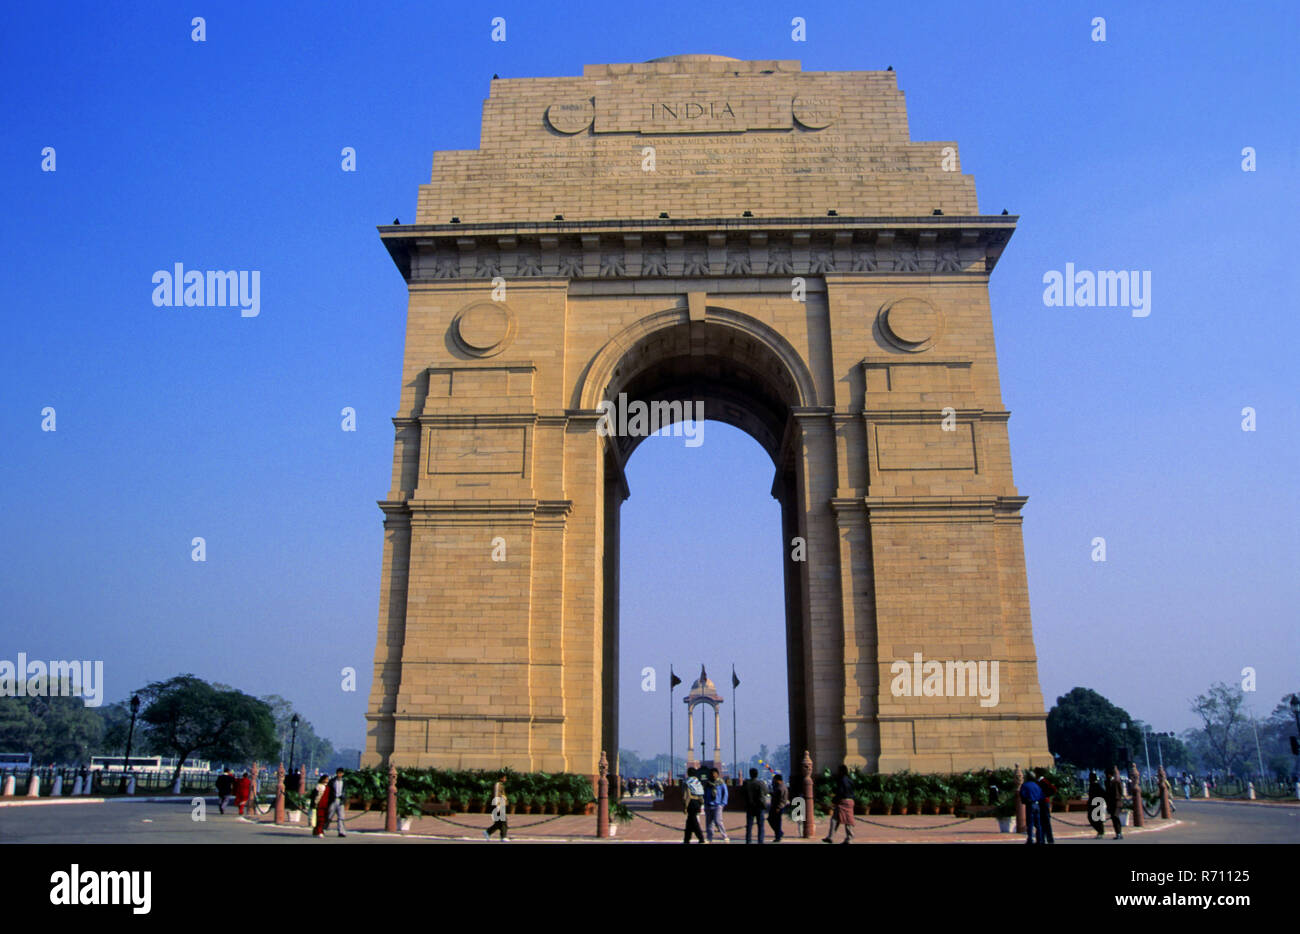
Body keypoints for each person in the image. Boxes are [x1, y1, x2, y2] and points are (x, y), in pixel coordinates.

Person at [822, 764, 855, 843]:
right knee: (848, 820)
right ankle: (848, 838)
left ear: (841, 771)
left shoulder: (842, 780)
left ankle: (831, 837)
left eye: (838, 771)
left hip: (843, 802)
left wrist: (834, 801)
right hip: (850, 801)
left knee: (834, 819)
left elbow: (840, 792)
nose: (837, 772)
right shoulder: (849, 780)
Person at [743, 768, 769, 844]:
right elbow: (766, 792)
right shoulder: (761, 783)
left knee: (749, 826)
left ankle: (748, 841)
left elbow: (742, 792)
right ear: (757, 774)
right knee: (760, 826)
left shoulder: (746, 783)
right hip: (760, 806)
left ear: (750, 774)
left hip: (750, 806)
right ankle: (760, 841)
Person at [703, 768, 730, 842]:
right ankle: (709, 838)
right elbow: (704, 794)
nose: (713, 775)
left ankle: (725, 836)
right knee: (709, 823)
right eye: (712, 774)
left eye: (714, 774)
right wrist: (705, 803)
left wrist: (723, 803)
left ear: (718, 774)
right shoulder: (707, 783)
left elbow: (725, 794)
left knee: (718, 821)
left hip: (718, 805)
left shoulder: (721, 783)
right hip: (709, 805)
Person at [1018, 773, 1044, 844]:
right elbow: (1042, 795)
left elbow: (1022, 794)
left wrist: (1025, 801)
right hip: (1037, 805)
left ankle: (1030, 839)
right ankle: (1039, 839)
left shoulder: (1025, 785)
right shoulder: (1037, 785)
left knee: (1030, 823)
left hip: (1030, 805)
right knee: (1038, 823)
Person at [682, 768, 705, 844]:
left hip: (691, 802)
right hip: (698, 802)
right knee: (689, 821)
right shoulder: (698, 782)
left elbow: (686, 795)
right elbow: (701, 794)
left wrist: (685, 806)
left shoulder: (687, 782)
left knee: (694, 821)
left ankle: (701, 838)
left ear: (688, 773)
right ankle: (686, 839)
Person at [484, 773, 509, 841]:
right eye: (504, 778)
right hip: (498, 805)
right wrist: (497, 806)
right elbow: (496, 794)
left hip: (501, 805)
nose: (505, 779)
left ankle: (488, 832)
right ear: (501, 778)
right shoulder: (498, 784)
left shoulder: (501, 785)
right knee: (503, 821)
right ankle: (503, 837)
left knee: (499, 822)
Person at [1034, 770, 1056, 844]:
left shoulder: (1044, 781)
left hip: (1044, 803)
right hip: (1040, 803)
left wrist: (1045, 795)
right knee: (1041, 822)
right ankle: (1041, 839)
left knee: (1046, 822)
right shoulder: (1038, 781)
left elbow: (1053, 789)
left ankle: (1050, 839)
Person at [767, 773, 789, 842]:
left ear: (778, 780)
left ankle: (778, 836)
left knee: (776, 822)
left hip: (777, 807)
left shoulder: (780, 788)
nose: (773, 781)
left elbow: (780, 799)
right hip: (776, 806)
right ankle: (779, 833)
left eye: (774, 779)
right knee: (772, 820)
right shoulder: (780, 786)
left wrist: (778, 808)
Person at [1105, 767, 1124, 839]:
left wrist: (1119, 797)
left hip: (1117, 802)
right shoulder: (1107, 782)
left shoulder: (1117, 781)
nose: (1107, 776)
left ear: (1110, 774)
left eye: (1107, 774)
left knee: (1115, 816)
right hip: (1110, 802)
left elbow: (1121, 791)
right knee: (1113, 818)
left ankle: (1119, 832)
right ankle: (1118, 833)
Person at [1086, 771, 1106, 838]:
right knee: (1091, 818)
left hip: (1097, 804)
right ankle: (1100, 831)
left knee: (1097, 819)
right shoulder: (1091, 785)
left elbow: (1103, 794)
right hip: (1092, 804)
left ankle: (1101, 832)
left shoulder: (1097, 785)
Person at [328, 768, 347, 837]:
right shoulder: (332, 781)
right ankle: (323, 828)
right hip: (333, 799)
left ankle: (341, 831)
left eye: (341, 773)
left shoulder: (344, 782)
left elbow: (345, 791)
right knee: (329, 815)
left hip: (340, 800)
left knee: (341, 817)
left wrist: (344, 798)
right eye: (338, 773)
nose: (339, 774)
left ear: (342, 774)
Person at [311, 771, 331, 836]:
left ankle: (318, 830)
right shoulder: (319, 786)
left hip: (325, 805)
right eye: (326, 779)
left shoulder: (328, 787)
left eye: (327, 779)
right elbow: (314, 795)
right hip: (319, 804)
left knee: (323, 819)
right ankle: (319, 831)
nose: (327, 780)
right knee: (319, 819)